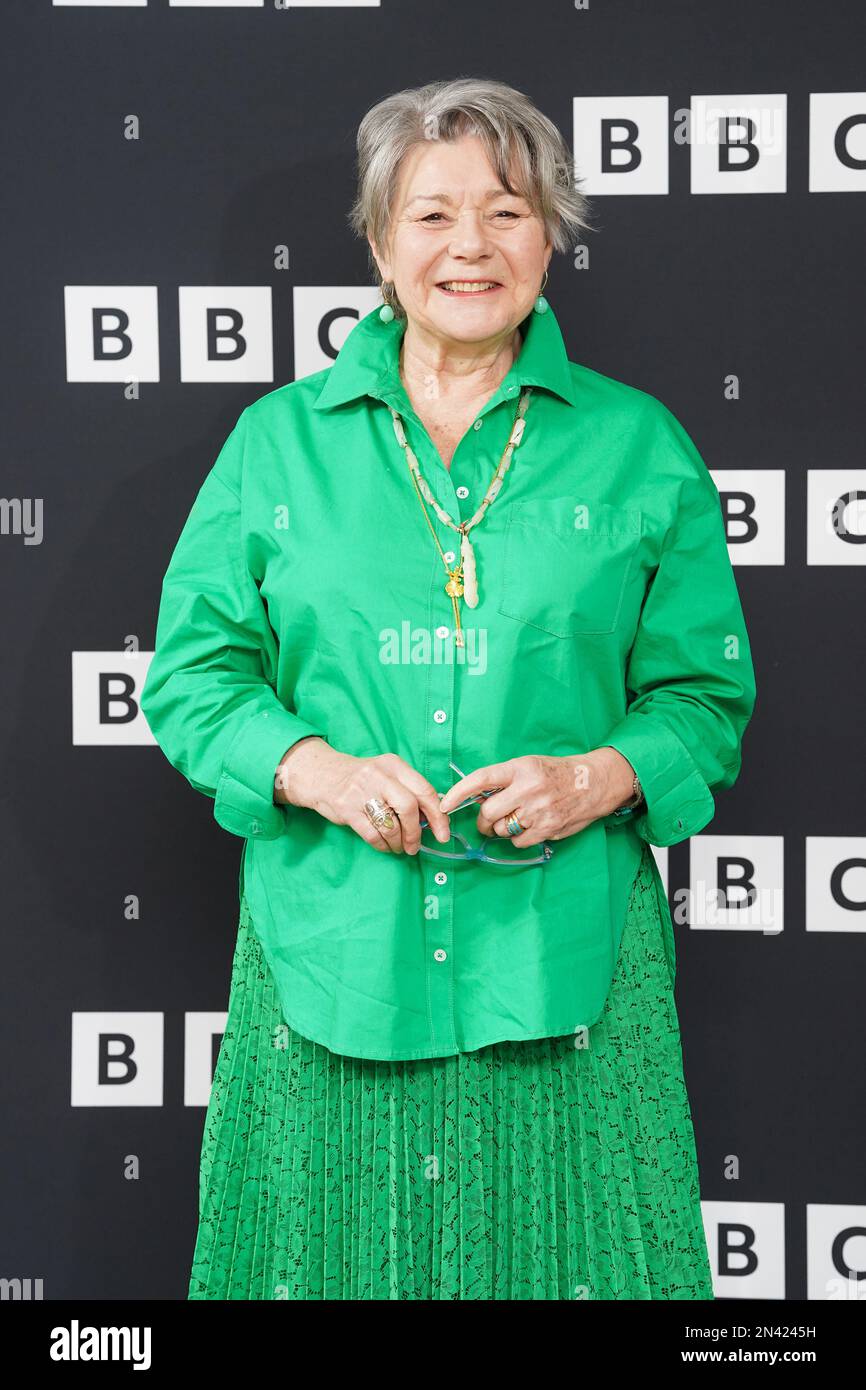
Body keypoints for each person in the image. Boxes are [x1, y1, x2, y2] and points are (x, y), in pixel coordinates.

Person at [140, 76, 756, 1300]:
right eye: (430, 216)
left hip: (563, 960)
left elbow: (702, 697)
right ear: (376, 243)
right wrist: (314, 771)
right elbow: (194, 678)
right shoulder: (277, 445)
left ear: (552, 238)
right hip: (332, 963)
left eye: (508, 212)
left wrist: (595, 775)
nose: (469, 246)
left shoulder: (639, 446)